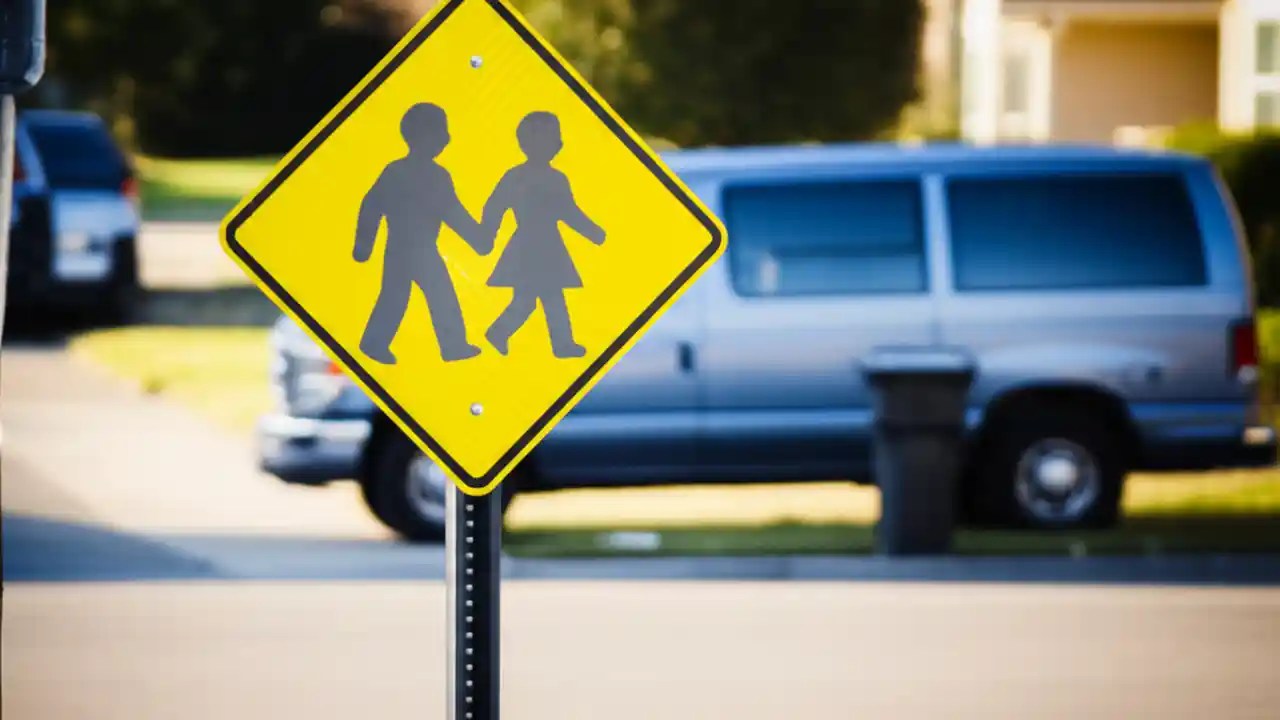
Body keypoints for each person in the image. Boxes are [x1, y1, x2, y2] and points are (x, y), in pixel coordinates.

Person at [353, 102, 490, 364]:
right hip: (418, 250)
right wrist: (363, 245)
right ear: (419, 136)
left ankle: (376, 343)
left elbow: (451, 211)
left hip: (404, 249)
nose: (445, 139)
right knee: (436, 295)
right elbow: (372, 204)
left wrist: (479, 240)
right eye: (440, 132)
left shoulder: (411, 172)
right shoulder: (420, 174)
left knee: (397, 296)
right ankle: (451, 346)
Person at [482, 111, 605, 359]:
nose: (553, 144)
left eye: (553, 139)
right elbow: (495, 205)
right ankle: (501, 332)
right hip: (530, 248)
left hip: (546, 248)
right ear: (525, 143)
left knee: (546, 298)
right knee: (536, 299)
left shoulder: (554, 178)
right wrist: (487, 234)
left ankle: (557, 343)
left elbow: (569, 212)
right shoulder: (520, 177)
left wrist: (594, 233)